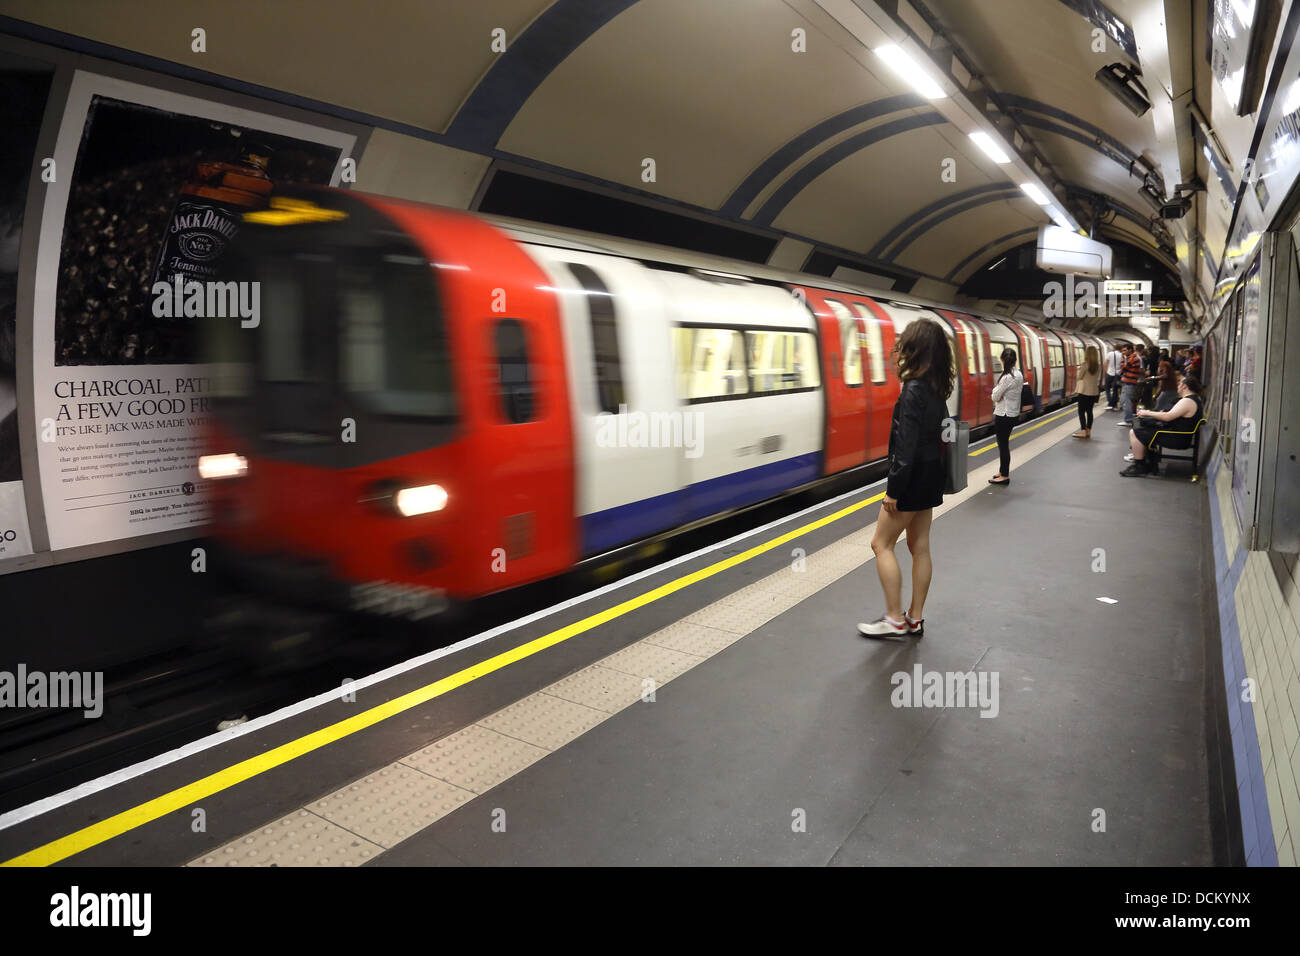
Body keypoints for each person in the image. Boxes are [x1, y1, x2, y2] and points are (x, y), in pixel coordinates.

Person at [858, 318, 953, 638]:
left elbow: (906, 446)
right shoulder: (937, 385)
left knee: (880, 544)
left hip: (911, 478)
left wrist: (893, 492)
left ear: (914, 349)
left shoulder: (914, 388)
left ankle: (894, 618)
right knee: (920, 546)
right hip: (931, 473)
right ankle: (915, 617)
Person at [1120, 373, 1204, 477]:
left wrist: (1147, 412)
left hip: (1177, 438)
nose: (1177, 386)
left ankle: (1139, 465)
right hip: (1181, 436)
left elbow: (1167, 417)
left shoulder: (1187, 401)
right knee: (1145, 428)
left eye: (1179, 384)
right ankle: (1146, 462)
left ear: (1184, 386)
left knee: (1135, 432)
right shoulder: (1195, 399)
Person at [988, 347, 1022, 485]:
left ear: (1003, 360)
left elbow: (995, 396)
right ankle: (1002, 471)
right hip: (1012, 413)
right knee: (1004, 443)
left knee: (1003, 445)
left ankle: (1005, 475)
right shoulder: (1018, 374)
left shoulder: (1007, 377)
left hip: (1004, 413)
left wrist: (996, 391)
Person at [1072, 345, 1102, 438]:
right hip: (1093, 391)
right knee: (1089, 411)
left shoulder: (1084, 364)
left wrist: (1079, 370)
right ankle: (1088, 430)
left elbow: (1079, 377)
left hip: (1084, 391)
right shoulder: (1098, 366)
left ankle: (1083, 431)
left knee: (1081, 411)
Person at [1116, 343, 1144, 426]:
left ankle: (1128, 420)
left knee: (1126, 402)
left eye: (1125, 350)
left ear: (1130, 350)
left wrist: (1122, 358)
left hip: (1129, 382)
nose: (1123, 352)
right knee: (1125, 401)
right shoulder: (1132, 357)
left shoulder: (1132, 358)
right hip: (1128, 382)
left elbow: (1123, 368)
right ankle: (1128, 419)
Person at [1104, 344, 1122, 409]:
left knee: (1107, 388)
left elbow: (1106, 363)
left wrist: (1106, 372)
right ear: (1121, 349)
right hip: (1118, 374)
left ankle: (1110, 401)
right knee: (1115, 389)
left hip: (1109, 373)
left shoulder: (1110, 354)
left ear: (1114, 348)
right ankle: (1114, 403)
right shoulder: (1122, 355)